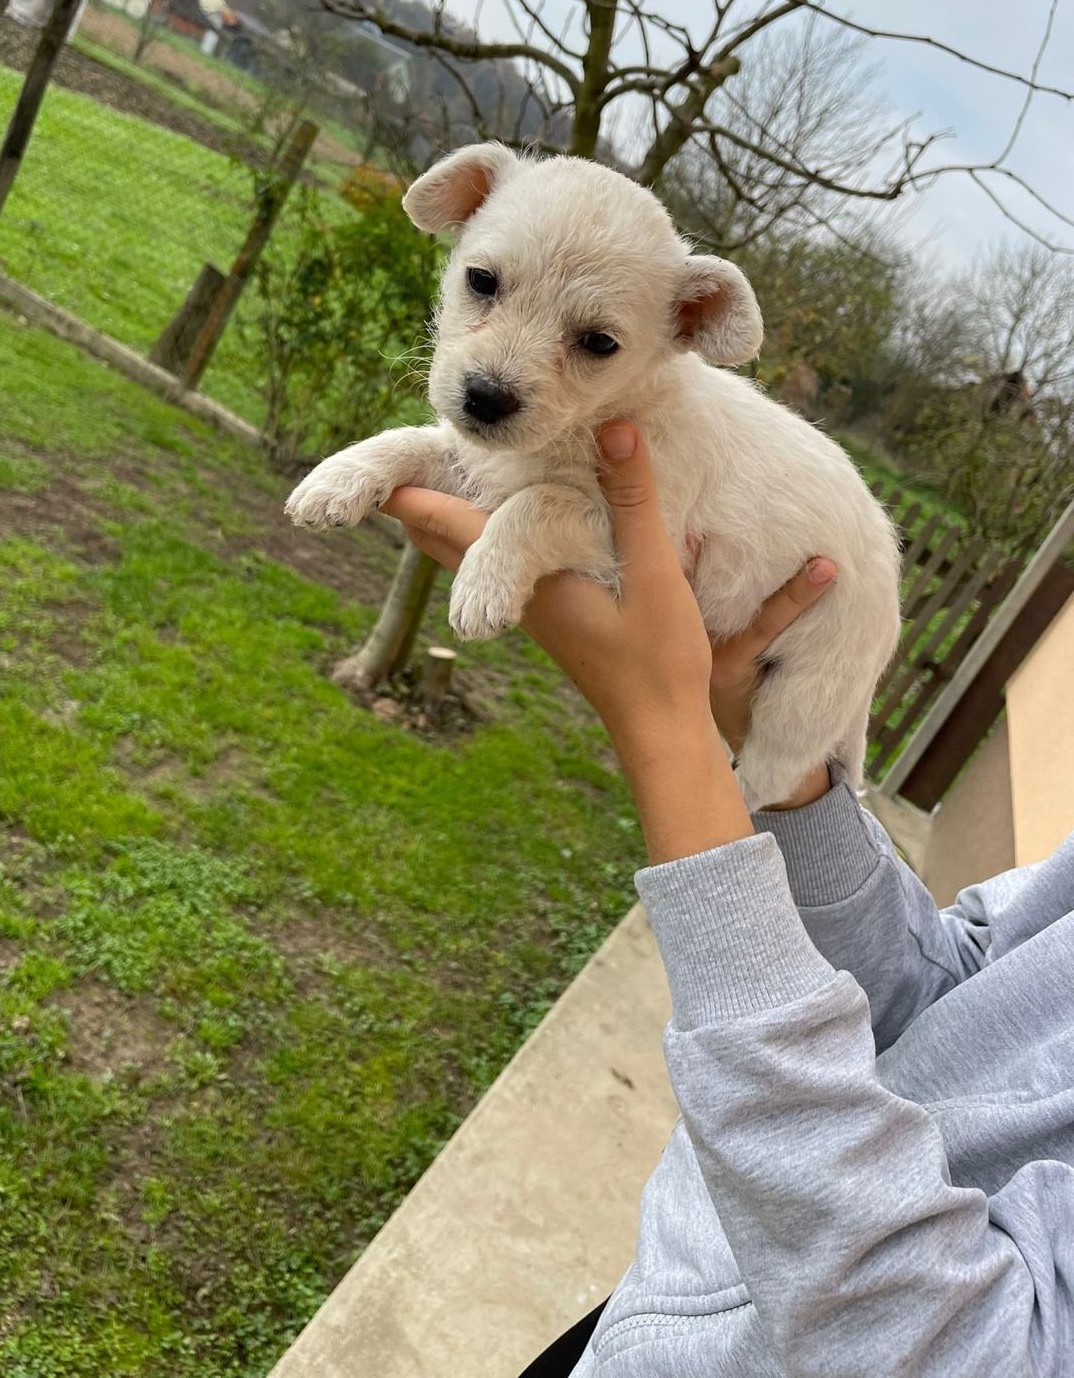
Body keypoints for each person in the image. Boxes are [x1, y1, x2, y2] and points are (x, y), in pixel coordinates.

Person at [383, 420, 1074, 1377]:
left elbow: (961, 1350)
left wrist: (665, 731)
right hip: (677, 1305)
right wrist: (783, 767)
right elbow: (958, 1004)